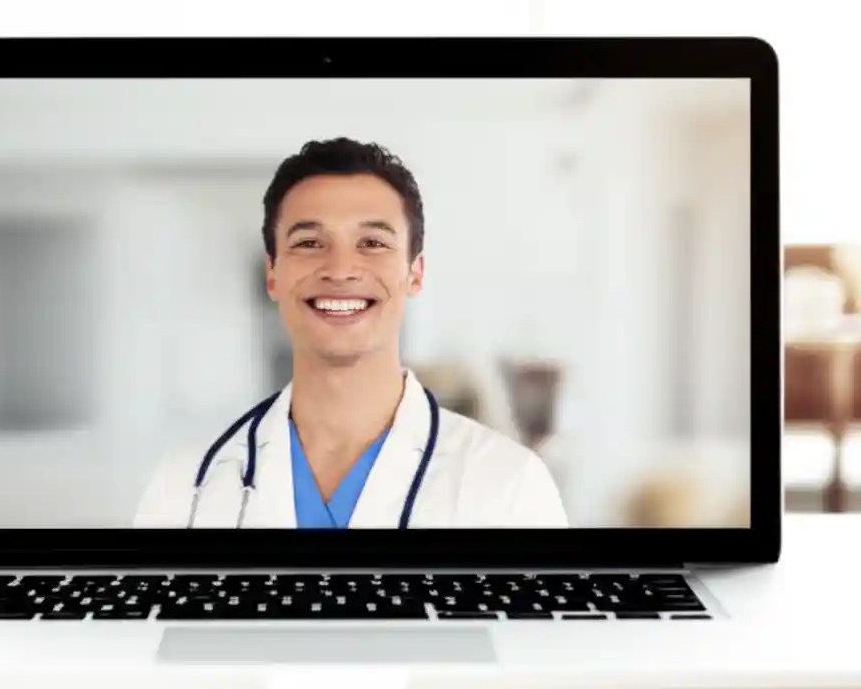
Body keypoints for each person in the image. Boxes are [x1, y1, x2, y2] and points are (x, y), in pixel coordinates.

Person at [133, 138, 568, 529]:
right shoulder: (185, 487)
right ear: (273, 275)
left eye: (373, 243)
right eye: (309, 243)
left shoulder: (509, 486)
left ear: (415, 274)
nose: (340, 270)